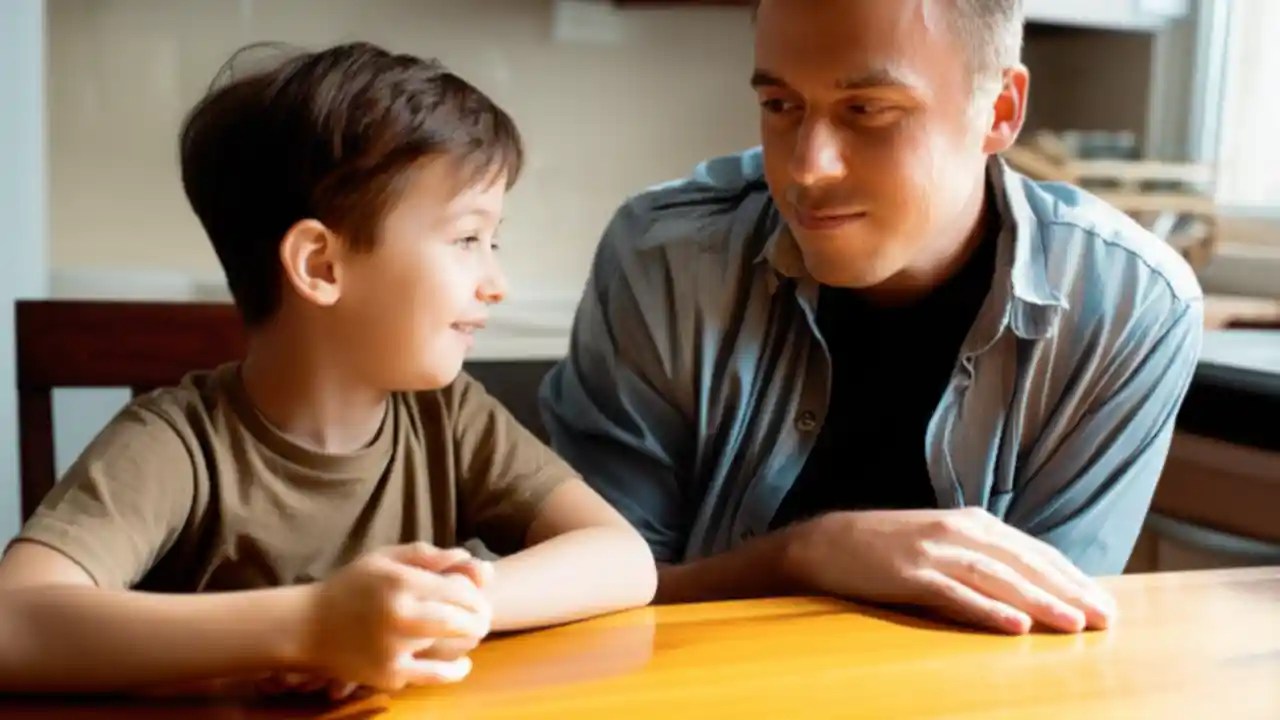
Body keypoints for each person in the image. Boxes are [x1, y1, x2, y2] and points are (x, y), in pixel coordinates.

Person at [0, 41, 656, 698]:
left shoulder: (449, 417)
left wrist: (443, 608)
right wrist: (312, 624)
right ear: (320, 266)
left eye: (493, 241)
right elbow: (12, 624)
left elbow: (623, 559)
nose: (496, 283)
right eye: (465, 239)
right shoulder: (177, 444)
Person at [540, 0, 1203, 636]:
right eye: (780, 106)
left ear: (999, 109)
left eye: (868, 109)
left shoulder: (1128, 305)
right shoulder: (666, 259)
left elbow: (1046, 631)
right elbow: (591, 609)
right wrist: (810, 554)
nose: (808, 166)